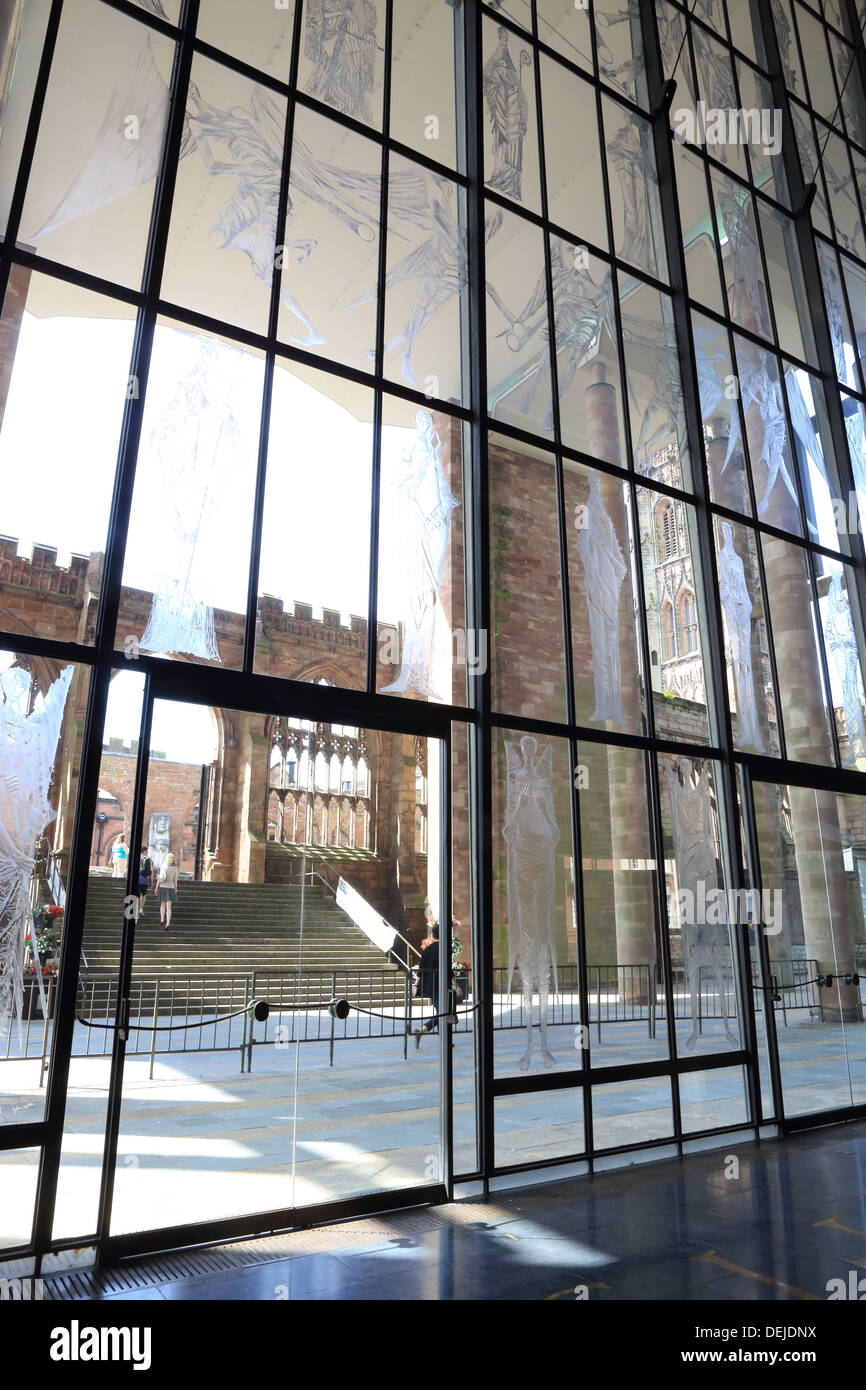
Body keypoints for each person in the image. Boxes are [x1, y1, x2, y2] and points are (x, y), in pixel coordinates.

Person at [157, 852, 178, 931]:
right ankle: (168, 923)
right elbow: (175, 881)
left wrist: (157, 887)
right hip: (170, 887)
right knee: (168, 907)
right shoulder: (175, 868)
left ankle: (162, 919)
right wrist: (175, 889)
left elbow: (160, 878)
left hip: (162, 887)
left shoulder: (163, 866)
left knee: (162, 905)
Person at [137, 847, 153, 917]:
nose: (147, 852)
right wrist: (151, 882)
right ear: (144, 851)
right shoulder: (148, 859)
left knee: (136, 895)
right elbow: (151, 871)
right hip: (144, 880)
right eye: (146, 851)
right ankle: (140, 910)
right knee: (143, 896)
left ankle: (135, 909)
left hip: (137, 879)